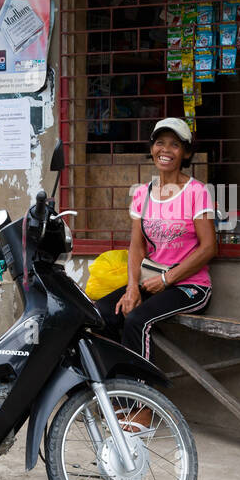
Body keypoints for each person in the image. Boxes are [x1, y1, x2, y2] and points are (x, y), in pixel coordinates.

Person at [94, 118, 217, 366]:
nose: (166, 150)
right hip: (151, 281)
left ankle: (141, 400)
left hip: (189, 286)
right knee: (101, 314)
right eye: (160, 143)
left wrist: (167, 280)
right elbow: (137, 247)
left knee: (138, 319)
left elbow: (209, 248)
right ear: (152, 148)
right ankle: (116, 391)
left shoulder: (197, 192)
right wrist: (131, 288)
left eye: (174, 144)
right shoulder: (142, 193)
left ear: (186, 152)